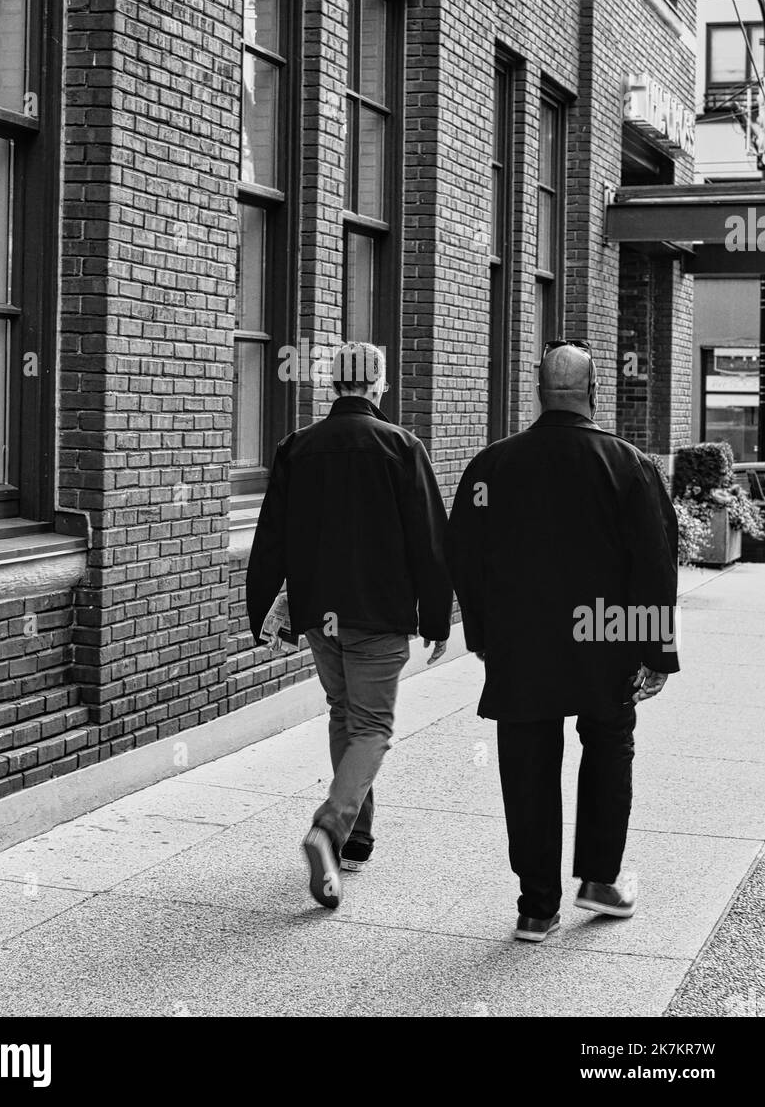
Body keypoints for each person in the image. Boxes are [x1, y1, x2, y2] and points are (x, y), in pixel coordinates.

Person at [445, 340, 679, 943]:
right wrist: (654, 651)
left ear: (539, 392)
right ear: (595, 392)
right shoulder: (629, 466)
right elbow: (654, 563)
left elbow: (464, 556)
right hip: (606, 635)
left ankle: (535, 907)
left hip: (521, 642)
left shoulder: (490, 468)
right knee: (608, 745)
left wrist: (483, 635)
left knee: (526, 764)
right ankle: (600, 880)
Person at [247, 341, 452, 910]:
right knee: (373, 727)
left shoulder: (297, 448)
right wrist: (437, 617)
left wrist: (261, 607)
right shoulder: (403, 447)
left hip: (321, 615)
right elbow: (430, 542)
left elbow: (272, 536)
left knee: (345, 714)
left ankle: (356, 839)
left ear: (332, 386)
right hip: (379, 615)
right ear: (379, 386)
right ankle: (330, 828)